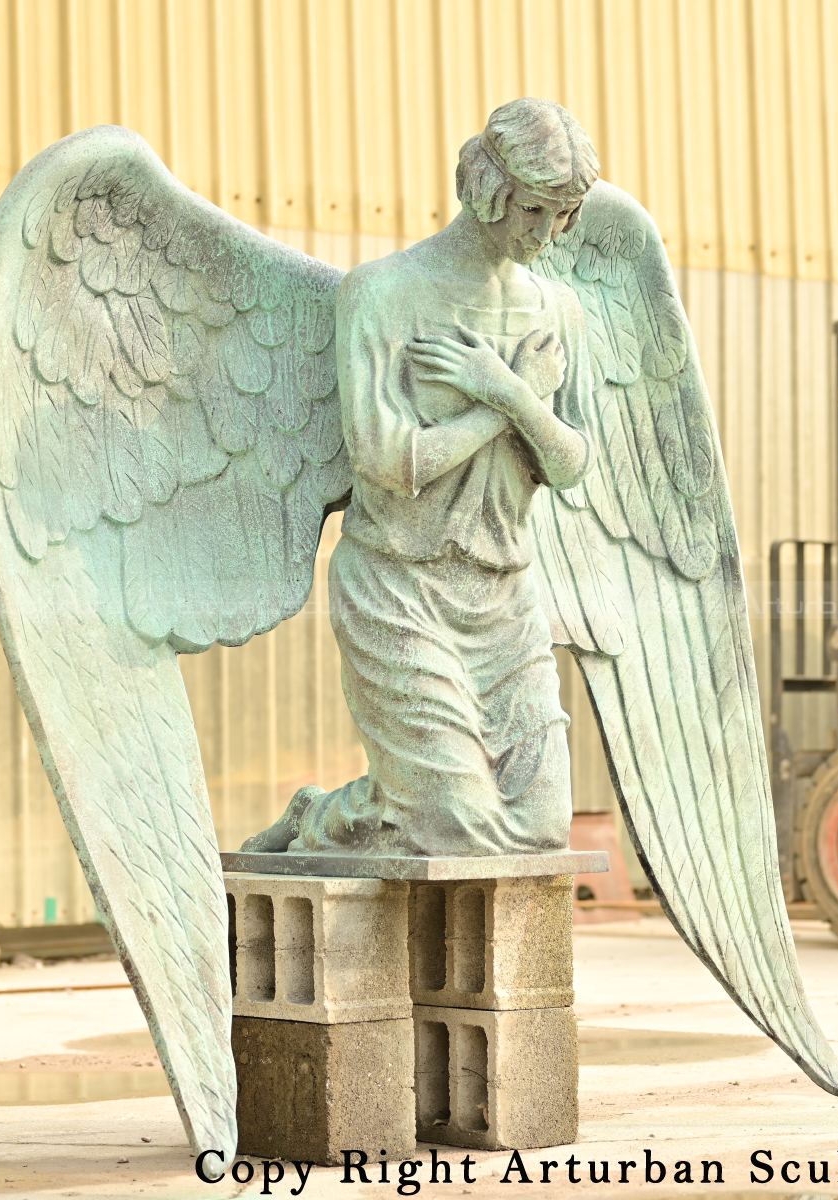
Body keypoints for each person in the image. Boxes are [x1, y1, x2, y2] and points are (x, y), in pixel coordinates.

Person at [243, 98, 599, 857]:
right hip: (399, 589)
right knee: (459, 828)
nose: (546, 234)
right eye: (534, 209)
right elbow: (385, 461)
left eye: (563, 215)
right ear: (489, 190)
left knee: (539, 828)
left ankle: (368, 806)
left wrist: (503, 391)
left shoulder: (555, 309)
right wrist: (504, 402)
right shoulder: (384, 294)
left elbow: (570, 461)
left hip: (504, 596)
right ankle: (324, 818)